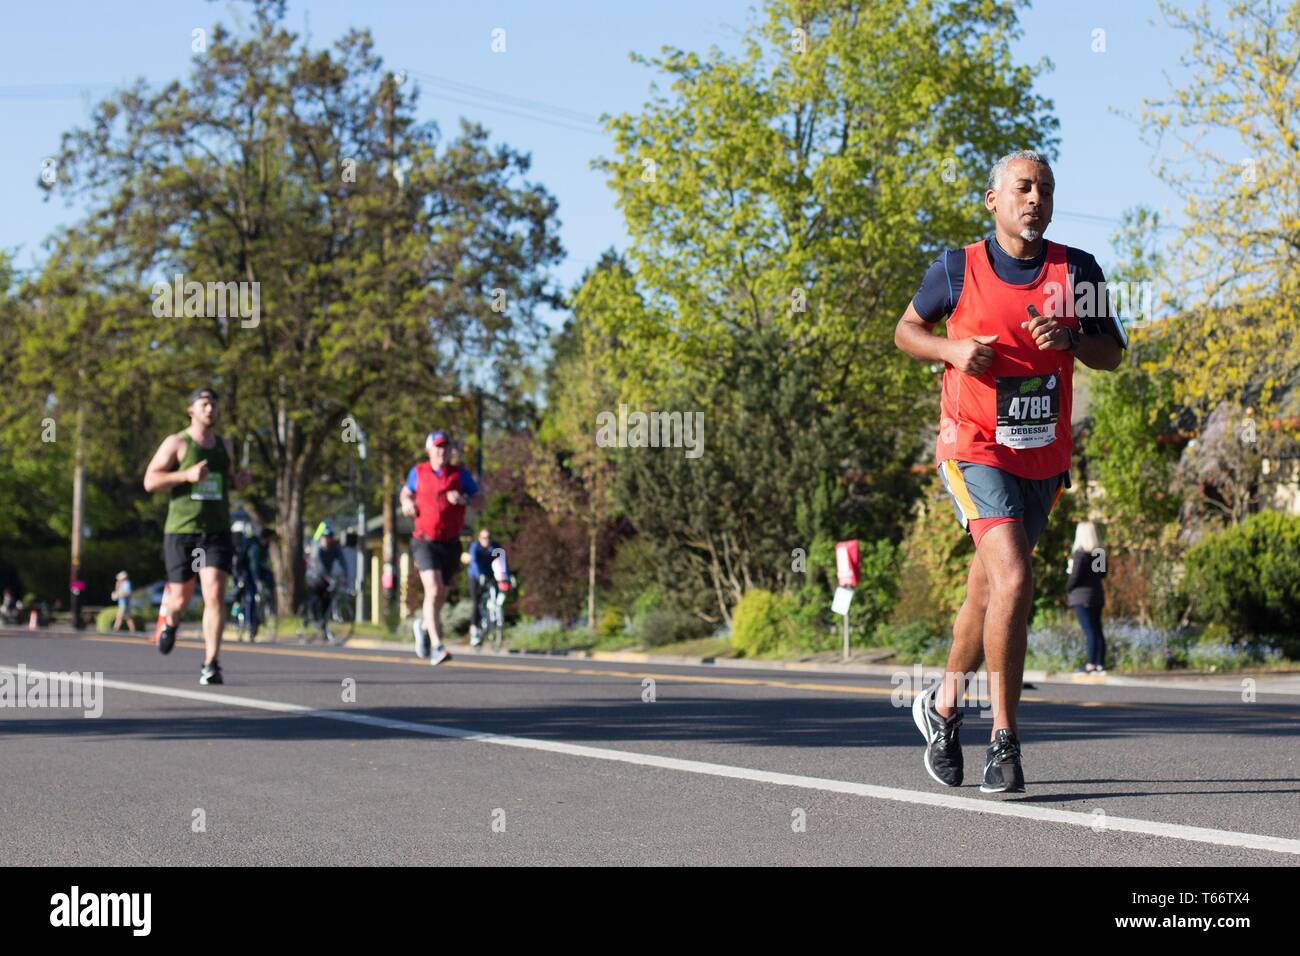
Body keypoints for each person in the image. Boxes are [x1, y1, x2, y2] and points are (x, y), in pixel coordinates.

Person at [894, 150, 1126, 793]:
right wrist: (952, 349)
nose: (1035, 199)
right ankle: (1005, 740)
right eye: (1023, 187)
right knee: (1017, 575)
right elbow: (906, 331)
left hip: (1042, 456)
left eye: (1045, 189)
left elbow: (1113, 352)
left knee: (989, 590)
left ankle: (941, 711)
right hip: (973, 446)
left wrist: (1074, 341)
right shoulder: (956, 268)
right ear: (993, 200)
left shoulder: (1077, 271)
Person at [143, 386, 251, 684]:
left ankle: (211, 663)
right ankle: (171, 622)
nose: (210, 409)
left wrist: (237, 482)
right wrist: (185, 476)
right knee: (181, 598)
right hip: (182, 531)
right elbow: (150, 480)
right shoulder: (177, 443)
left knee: (215, 594)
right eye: (204, 404)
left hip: (215, 531)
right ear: (190, 410)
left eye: (214, 404)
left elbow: (225, 480)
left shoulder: (225, 445)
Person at [399, 431, 483, 665]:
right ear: (429, 451)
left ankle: (423, 626)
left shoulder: (460, 474)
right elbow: (405, 493)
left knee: (439, 596)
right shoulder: (418, 472)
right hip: (424, 540)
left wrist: (465, 499)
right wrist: (406, 503)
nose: (442, 451)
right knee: (433, 590)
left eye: (445, 447)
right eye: (437, 447)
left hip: (451, 543)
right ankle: (437, 646)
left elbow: (481, 500)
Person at [1066, 521, 1108, 673]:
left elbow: (1075, 577)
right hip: (1096, 595)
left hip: (1081, 597)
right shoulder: (1099, 554)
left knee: (1089, 630)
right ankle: (1100, 663)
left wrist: (1068, 586)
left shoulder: (1080, 554)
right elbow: (1102, 574)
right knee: (1097, 629)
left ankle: (1090, 663)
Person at [305, 521, 346, 643]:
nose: (327, 540)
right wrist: (328, 578)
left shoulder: (335, 549)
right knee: (317, 596)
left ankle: (323, 627)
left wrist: (345, 576)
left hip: (326, 578)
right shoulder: (316, 548)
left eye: (329, 538)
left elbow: (343, 562)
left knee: (327, 600)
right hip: (314, 576)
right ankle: (310, 614)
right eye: (325, 537)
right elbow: (319, 566)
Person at [467, 527, 509, 647]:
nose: (486, 540)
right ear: (479, 538)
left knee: (496, 596)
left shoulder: (495, 547)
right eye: (484, 538)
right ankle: (474, 632)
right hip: (475, 576)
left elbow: (502, 563)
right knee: (476, 602)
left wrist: (504, 578)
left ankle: (495, 620)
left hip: (490, 575)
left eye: (488, 538)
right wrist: (480, 575)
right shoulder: (475, 547)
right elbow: (474, 562)